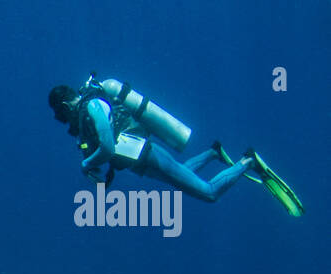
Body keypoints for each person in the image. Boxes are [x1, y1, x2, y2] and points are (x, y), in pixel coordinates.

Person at [48, 77, 303, 214]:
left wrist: (86, 164)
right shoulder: (85, 113)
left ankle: (249, 160)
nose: (63, 120)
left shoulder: (92, 106)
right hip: (139, 161)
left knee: (208, 193)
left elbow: (107, 147)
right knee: (183, 176)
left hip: (143, 153)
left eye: (60, 114)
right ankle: (213, 152)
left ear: (64, 105)